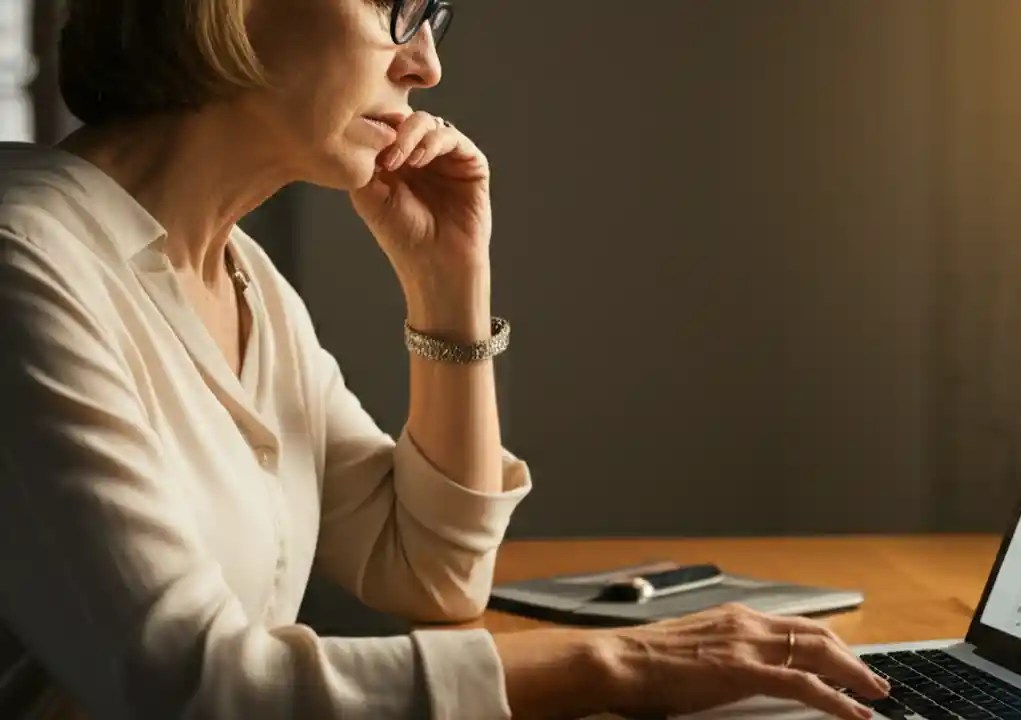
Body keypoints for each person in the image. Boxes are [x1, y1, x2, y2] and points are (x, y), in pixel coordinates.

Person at [0, 1, 890, 718]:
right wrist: (618, 661)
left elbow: (430, 575)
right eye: (395, 7)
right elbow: (191, 687)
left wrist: (448, 284)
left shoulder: (243, 278)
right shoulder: (24, 259)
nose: (426, 65)